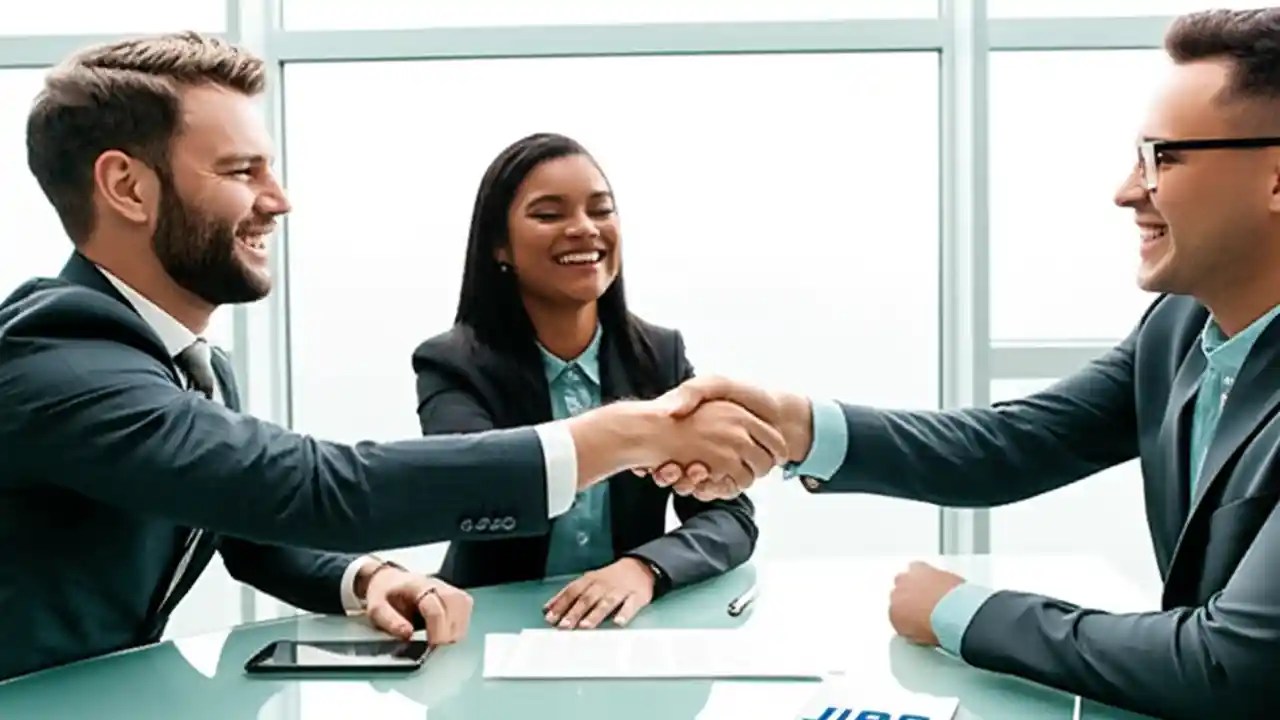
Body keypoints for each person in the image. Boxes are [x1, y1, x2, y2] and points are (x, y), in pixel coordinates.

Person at [0, 33, 786, 681]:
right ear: (127, 189)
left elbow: (244, 523)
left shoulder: (177, 362)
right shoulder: (58, 360)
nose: (279, 200)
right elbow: (311, 487)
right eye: (242, 172)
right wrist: (629, 435)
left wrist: (370, 578)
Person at [653, 9, 1280, 719]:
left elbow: (1231, 663)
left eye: (1161, 158)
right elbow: (1010, 446)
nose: (1127, 191)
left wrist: (963, 613)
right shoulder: (1179, 330)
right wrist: (795, 427)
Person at [412, 133, 758, 630]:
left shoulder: (659, 358)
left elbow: (730, 516)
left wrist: (645, 568)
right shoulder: (451, 363)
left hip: (628, 628)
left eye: (601, 210)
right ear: (499, 245)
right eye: (550, 214)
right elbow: (474, 490)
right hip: (489, 628)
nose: (584, 229)